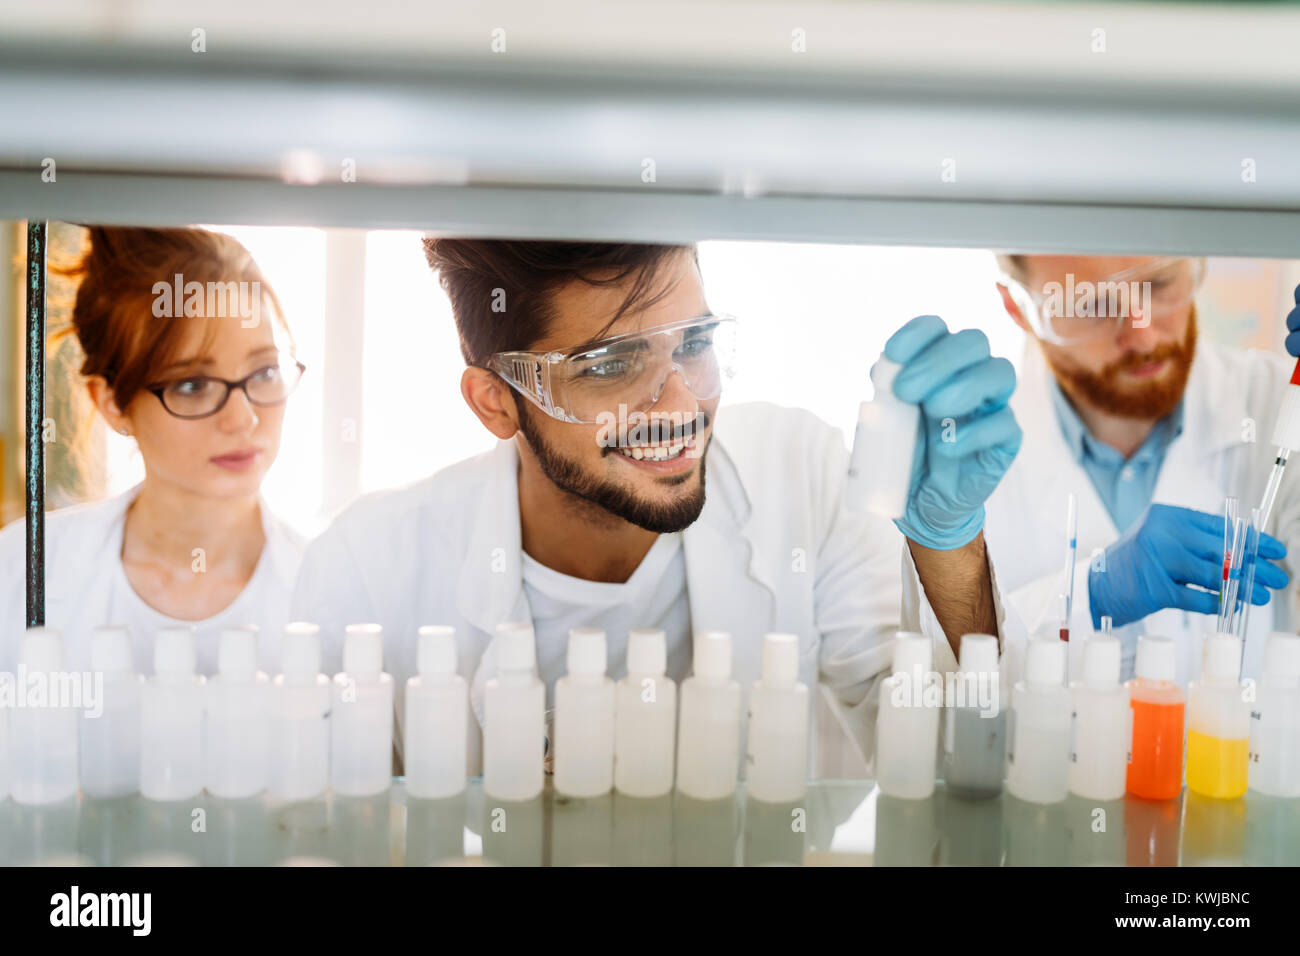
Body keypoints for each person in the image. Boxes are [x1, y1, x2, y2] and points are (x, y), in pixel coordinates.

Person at [291, 239, 1024, 772]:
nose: (682, 403)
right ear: (496, 402)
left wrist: (947, 544)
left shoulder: (796, 470)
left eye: (694, 343)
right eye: (612, 364)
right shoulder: (366, 572)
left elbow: (955, 762)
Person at [0, 225, 307, 675]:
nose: (243, 418)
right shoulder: (24, 575)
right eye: (192, 384)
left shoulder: (325, 586)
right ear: (112, 404)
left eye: (263, 372)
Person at [988, 254, 1296, 683]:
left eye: (1158, 286)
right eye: (1093, 305)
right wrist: (1090, 595)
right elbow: (932, 683)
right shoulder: (963, 467)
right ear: (1017, 308)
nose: (1144, 336)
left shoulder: (1276, 406)